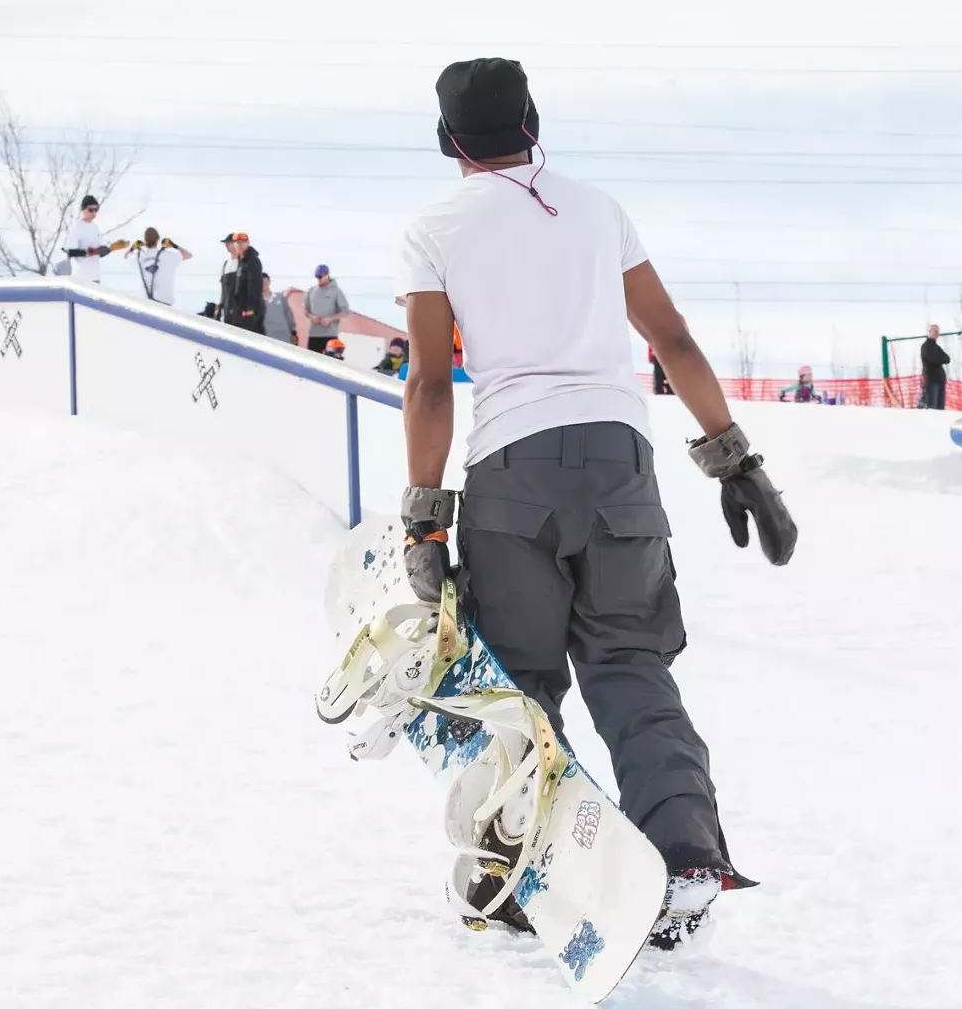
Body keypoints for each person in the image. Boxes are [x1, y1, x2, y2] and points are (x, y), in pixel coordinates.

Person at [395, 57, 797, 948]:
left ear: (447, 140)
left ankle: (553, 867)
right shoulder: (598, 209)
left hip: (512, 473)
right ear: (534, 120)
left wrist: (426, 512)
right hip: (621, 465)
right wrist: (736, 460)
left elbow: (429, 380)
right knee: (631, 666)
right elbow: (671, 337)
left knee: (524, 686)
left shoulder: (434, 227)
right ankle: (686, 851)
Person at [62, 196, 120, 284]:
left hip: (95, 276)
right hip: (81, 278)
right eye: (91, 210)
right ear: (83, 209)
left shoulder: (95, 227)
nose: (94, 213)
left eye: (96, 210)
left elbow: (97, 252)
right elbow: (71, 252)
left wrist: (108, 249)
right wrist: (90, 252)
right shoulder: (77, 227)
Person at [128, 227, 190, 306]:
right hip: (164, 302)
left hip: (145, 303)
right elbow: (188, 255)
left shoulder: (139, 257)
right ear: (158, 240)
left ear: (145, 241)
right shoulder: (167, 256)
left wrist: (132, 248)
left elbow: (126, 257)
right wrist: (174, 245)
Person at [218, 233, 264, 333]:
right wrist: (219, 307)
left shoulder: (251, 261)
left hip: (246, 313)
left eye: (242, 242)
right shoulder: (230, 263)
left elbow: (254, 286)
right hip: (231, 312)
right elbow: (225, 290)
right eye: (237, 243)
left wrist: (250, 309)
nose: (239, 245)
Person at [303, 263, 350, 352]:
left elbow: (345, 311)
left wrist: (330, 319)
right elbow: (305, 310)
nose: (318, 279)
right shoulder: (311, 291)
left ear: (327, 275)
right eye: (317, 277)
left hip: (330, 336)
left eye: (320, 277)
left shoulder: (336, 291)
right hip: (314, 335)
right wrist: (311, 317)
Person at [920, 323, 950, 409]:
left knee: (940, 406)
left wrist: (940, 359)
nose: (937, 333)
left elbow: (947, 359)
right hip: (931, 379)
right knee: (931, 406)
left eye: (938, 331)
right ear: (929, 332)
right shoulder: (926, 346)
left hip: (940, 379)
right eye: (935, 331)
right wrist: (940, 359)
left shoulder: (936, 347)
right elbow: (933, 359)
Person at [262, 275, 298, 343]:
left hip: (285, 337)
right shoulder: (258, 303)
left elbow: (289, 315)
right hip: (268, 339)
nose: (264, 283)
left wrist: (294, 333)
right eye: (261, 281)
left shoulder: (280, 298)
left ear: (269, 281)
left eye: (265, 280)